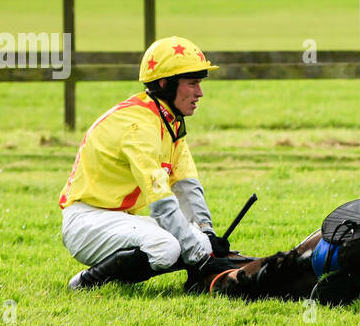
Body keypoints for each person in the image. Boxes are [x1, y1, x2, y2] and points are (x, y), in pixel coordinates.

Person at [58, 35, 232, 289]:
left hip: (119, 219)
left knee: (200, 244)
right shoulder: (137, 126)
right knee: (167, 248)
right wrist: (199, 259)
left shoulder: (169, 122)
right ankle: (86, 282)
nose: (200, 93)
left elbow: (186, 186)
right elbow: (161, 204)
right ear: (166, 84)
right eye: (193, 83)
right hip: (87, 222)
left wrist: (207, 233)